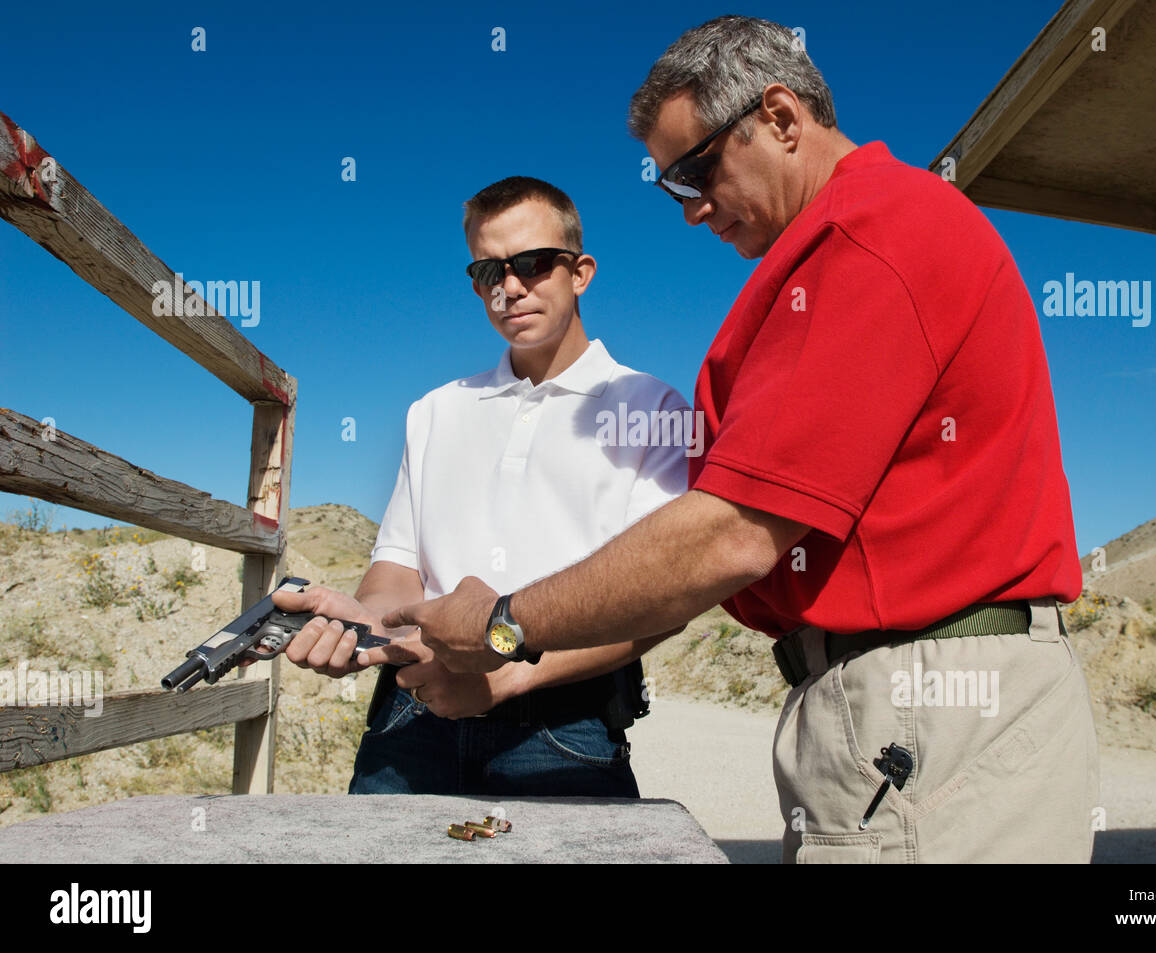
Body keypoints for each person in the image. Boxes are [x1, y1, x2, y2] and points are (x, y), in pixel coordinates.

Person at [365, 16, 1099, 863]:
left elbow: (733, 533)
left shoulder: (870, 237)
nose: (691, 210)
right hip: (901, 700)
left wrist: (502, 625)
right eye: (670, 188)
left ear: (782, 118)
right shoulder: (852, 244)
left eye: (696, 170)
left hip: (928, 701)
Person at [273, 175, 690, 797]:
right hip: (412, 711)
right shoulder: (435, 410)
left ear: (581, 272)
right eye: (488, 272)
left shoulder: (653, 407)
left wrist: (503, 678)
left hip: (562, 725)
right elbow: (397, 567)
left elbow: (663, 596)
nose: (510, 287)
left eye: (532, 263)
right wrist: (365, 624)